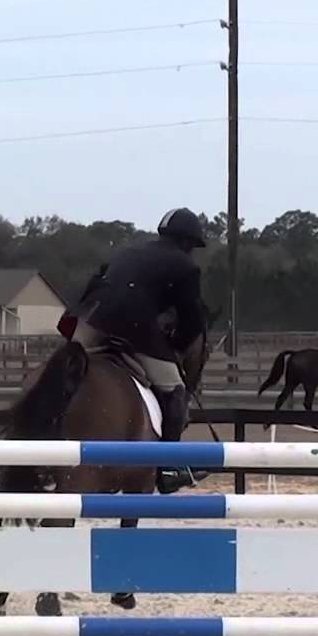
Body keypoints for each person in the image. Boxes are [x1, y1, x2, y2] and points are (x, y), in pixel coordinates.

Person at [62, 207, 208, 492]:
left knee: (61, 372)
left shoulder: (128, 251)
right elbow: (192, 321)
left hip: (91, 320)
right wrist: (175, 347)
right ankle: (167, 468)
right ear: (187, 242)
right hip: (134, 329)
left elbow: (95, 285)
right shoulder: (186, 267)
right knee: (175, 391)